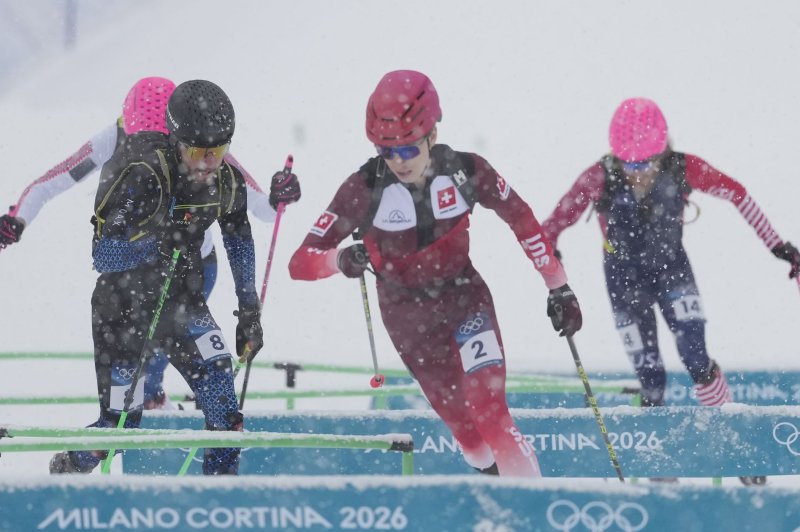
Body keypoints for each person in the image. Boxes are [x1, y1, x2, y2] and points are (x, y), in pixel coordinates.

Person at [288, 70, 582, 478]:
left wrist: (559, 286)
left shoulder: (466, 171)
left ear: (433, 133)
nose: (397, 162)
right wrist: (338, 261)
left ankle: (532, 513)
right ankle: (498, 496)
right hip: (408, 321)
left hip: (465, 300)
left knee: (491, 412)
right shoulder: (363, 188)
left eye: (408, 150)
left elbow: (523, 220)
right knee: (470, 438)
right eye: (385, 150)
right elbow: (300, 262)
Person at [0, 76, 300, 410]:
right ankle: (150, 413)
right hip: (137, 273)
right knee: (138, 365)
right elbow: (52, 182)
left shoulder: (198, 144)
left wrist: (278, 199)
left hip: (196, 267)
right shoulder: (113, 138)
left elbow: (256, 205)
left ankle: (161, 411)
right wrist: (18, 219)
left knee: (160, 358)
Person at [541, 98, 799, 484]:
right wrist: (551, 257)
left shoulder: (684, 167)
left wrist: (779, 246)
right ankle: (661, 470)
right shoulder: (598, 177)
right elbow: (553, 222)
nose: (638, 174)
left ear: (663, 151)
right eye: (630, 165)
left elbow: (738, 194)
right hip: (624, 282)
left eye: (647, 164)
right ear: (616, 156)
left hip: (672, 272)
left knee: (695, 355)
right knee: (651, 376)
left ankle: (733, 447)